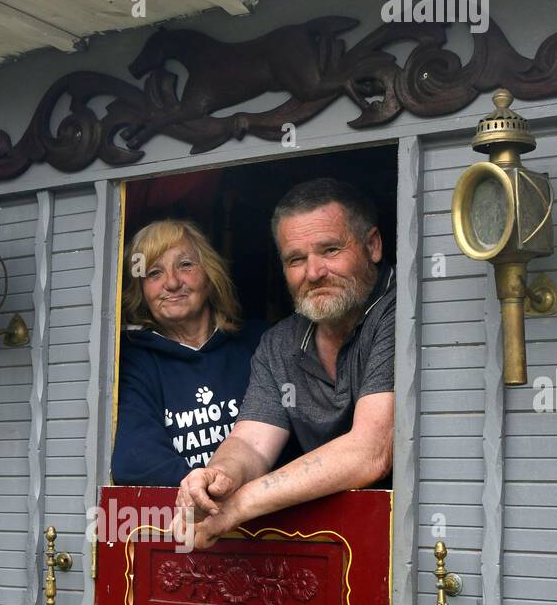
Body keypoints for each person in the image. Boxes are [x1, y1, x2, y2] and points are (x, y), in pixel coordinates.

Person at [174, 178, 395, 549]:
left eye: (330, 250)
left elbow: (369, 452)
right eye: (296, 259)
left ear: (372, 245)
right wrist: (219, 477)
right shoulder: (280, 343)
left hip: (404, 548)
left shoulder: (398, 313)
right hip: (323, 548)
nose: (313, 272)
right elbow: (251, 443)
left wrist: (240, 504)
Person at [111, 219, 267, 485]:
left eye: (185, 265)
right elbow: (136, 461)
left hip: (267, 521)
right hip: (188, 518)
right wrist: (207, 493)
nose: (172, 283)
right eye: (153, 273)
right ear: (140, 291)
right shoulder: (132, 359)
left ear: (209, 275)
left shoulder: (260, 342)